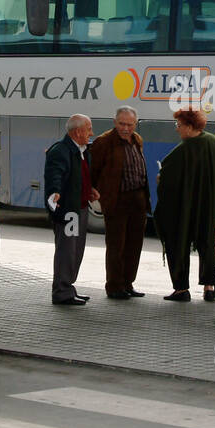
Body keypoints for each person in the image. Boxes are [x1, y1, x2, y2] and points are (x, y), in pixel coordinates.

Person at [155, 108, 215, 301]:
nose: (177, 130)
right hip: (210, 205)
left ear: (189, 126)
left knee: (178, 243)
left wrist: (160, 179)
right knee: (208, 243)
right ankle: (209, 287)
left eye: (179, 125)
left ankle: (181, 289)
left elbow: (167, 179)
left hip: (185, 208)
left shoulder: (183, 150)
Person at [89, 106, 150, 299]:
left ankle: (128, 283)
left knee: (134, 244)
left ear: (135, 124)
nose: (125, 128)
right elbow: (93, 171)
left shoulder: (137, 140)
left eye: (129, 124)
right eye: (122, 124)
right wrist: (97, 193)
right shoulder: (104, 142)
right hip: (117, 199)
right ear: (115, 123)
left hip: (138, 198)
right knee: (116, 245)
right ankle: (114, 286)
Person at [44, 114, 99, 306]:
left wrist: (89, 190)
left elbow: (79, 177)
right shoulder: (61, 151)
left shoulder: (82, 150)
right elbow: (55, 176)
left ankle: (68, 287)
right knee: (67, 251)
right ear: (77, 132)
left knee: (76, 250)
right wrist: (55, 193)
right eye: (89, 129)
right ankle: (61, 291)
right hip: (68, 211)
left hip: (80, 208)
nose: (92, 133)